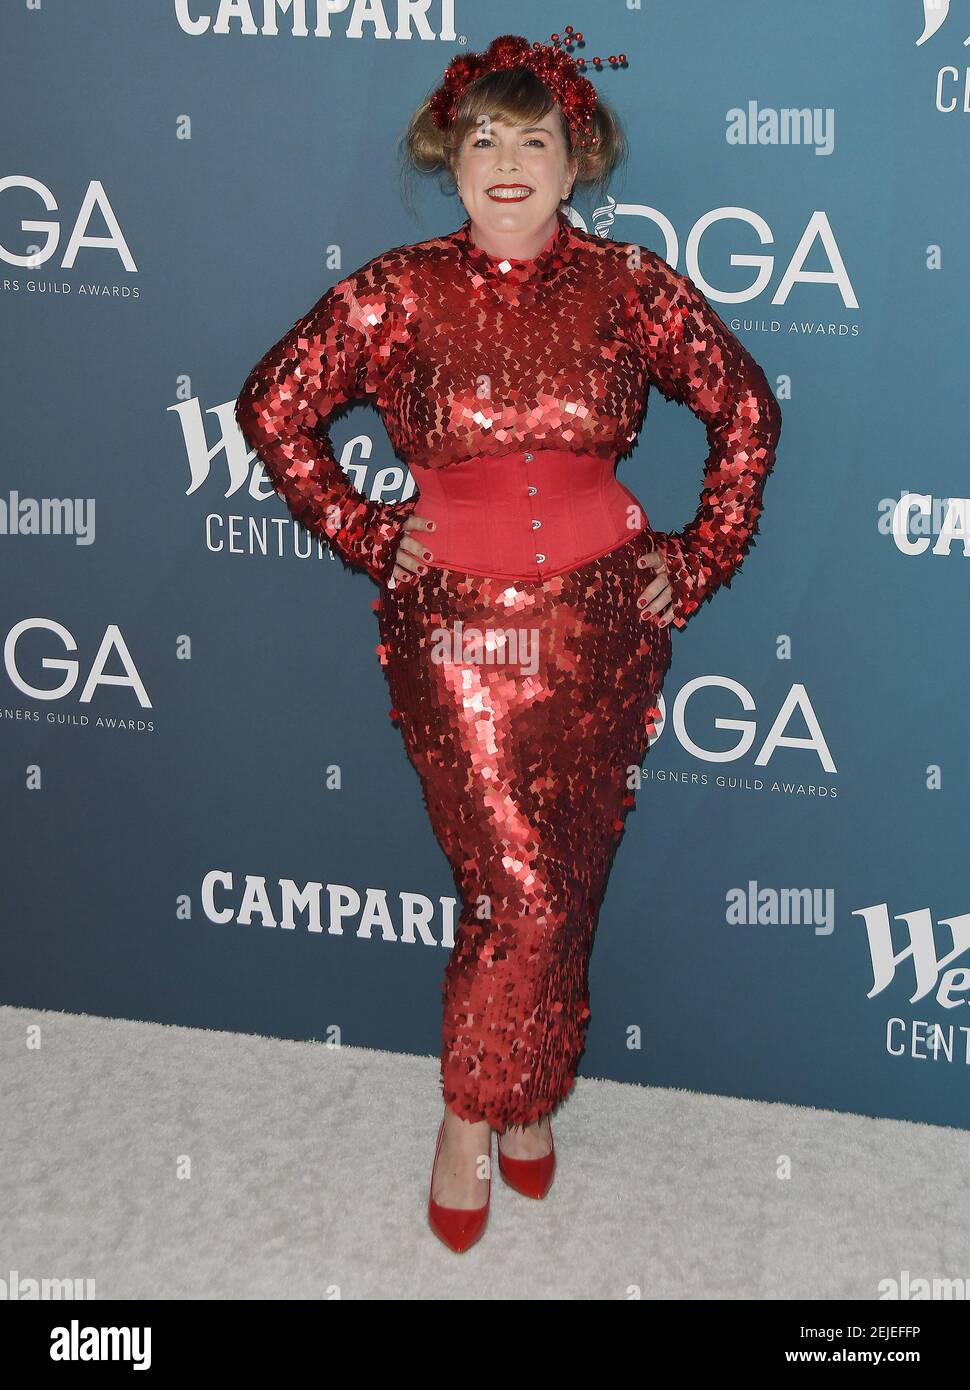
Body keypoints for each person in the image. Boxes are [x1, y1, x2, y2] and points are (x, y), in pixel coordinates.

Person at [234, 29, 782, 1254]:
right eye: (484, 137)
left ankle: (529, 1098)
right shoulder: (396, 291)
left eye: (534, 137)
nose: (508, 161)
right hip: (456, 634)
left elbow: (746, 410)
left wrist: (695, 559)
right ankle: (473, 1113)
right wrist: (366, 535)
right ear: (450, 152)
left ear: (575, 156)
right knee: (513, 889)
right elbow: (273, 406)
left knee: (563, 883)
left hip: (602, 624)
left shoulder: (633, 287)